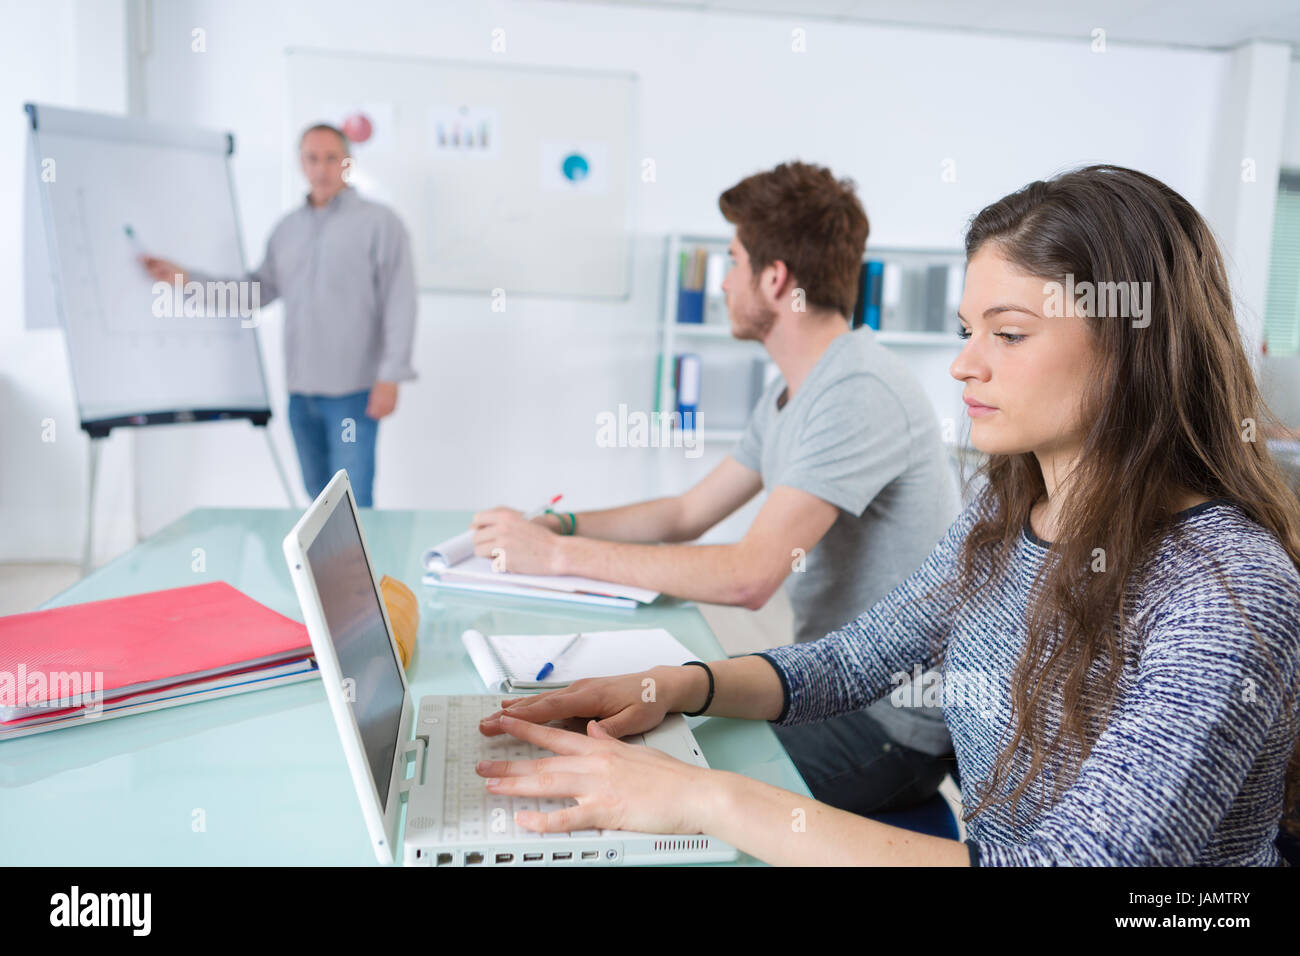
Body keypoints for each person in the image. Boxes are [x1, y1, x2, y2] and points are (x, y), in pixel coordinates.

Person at [473, 165, 1300, 866]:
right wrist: (677, 687)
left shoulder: (1225, 588)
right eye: (968, 330)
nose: (963, 364)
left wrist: (709, 801)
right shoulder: (1007, 517)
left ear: (1134, 343)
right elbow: (849, 663)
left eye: (1008, 335)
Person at [470, 161, 961, 815]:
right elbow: (684, 513)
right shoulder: (795, 389)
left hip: (889, 730)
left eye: (732, 262)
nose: (724, 281)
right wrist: (557, 528)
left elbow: (747, 577)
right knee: (628, 737)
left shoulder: (857, 390)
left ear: (775, 277)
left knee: (644, 772)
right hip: (829, 689)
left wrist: (555, 560)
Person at [140, 124, 416, 507]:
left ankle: (365, 569)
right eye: (311, 158)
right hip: (300, 393)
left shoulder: (380, 224)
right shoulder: (288, 230)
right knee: (318, 501)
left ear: (347, 162)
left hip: (355, 392)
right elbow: (255, 291)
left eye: (331, 158)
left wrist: (391, 375)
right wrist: (187, 280)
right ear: (300, 163)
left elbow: (400, 301)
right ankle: (326, 570)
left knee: (354, 503)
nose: (320, 168)